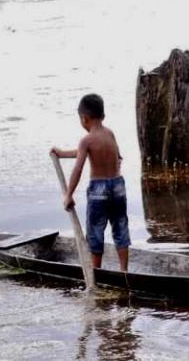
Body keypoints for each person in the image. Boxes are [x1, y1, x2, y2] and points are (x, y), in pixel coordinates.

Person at [51, 94, 130, 272]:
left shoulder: (86, 140)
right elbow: (116, 156)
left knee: (95, 232)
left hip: (99, 190)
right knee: (120, 228)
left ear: (83, 118)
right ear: (103, 115)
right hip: (118, 186)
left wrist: (68, 195)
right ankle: (124, 271)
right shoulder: (109, 133)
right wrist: (62, 153)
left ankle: (96, 272)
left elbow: (78, 168)